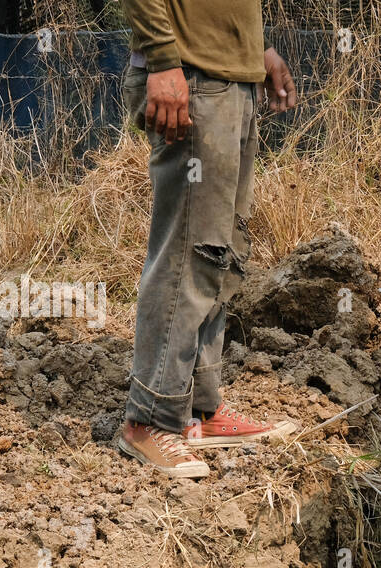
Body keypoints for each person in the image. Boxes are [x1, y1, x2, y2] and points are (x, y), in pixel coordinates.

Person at [117, 0, 299, 477]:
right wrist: (162, 61)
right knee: (188, 253)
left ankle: (197, 410)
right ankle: (150, 419)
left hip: (229, 79)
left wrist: (255, 50)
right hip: (189, 78)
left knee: (223, 251)